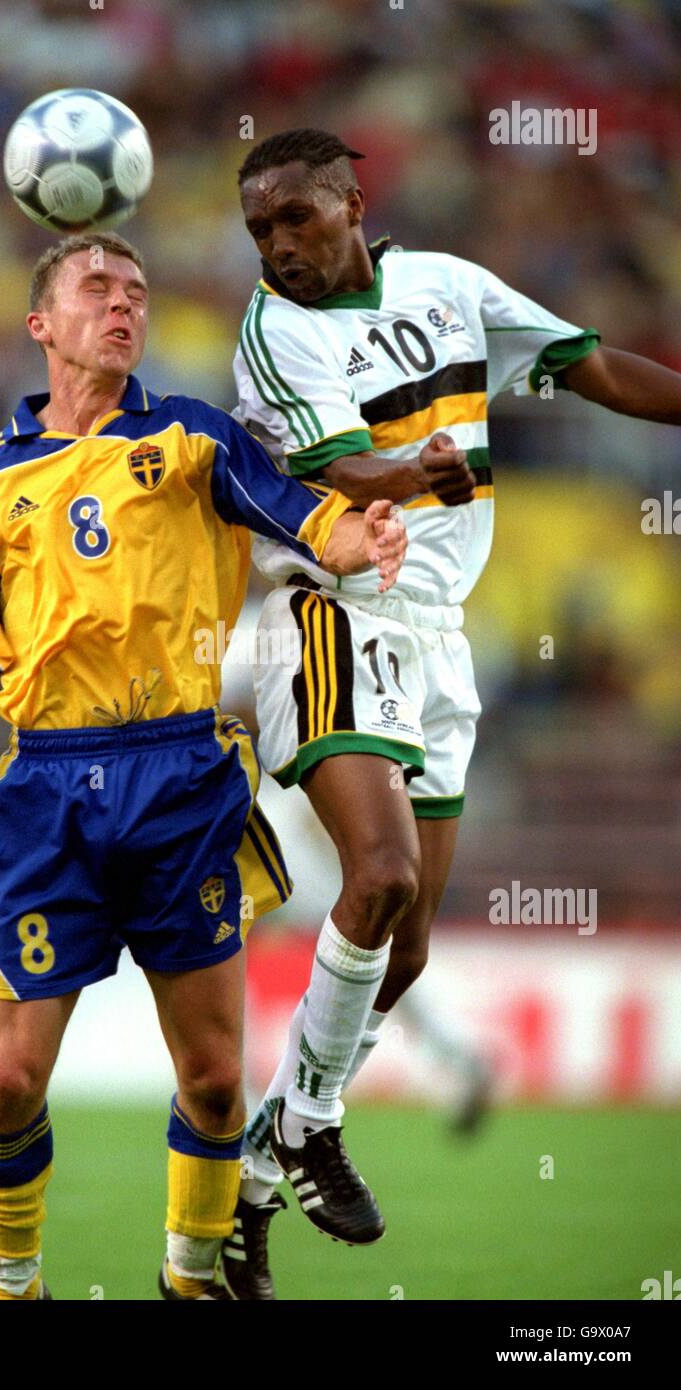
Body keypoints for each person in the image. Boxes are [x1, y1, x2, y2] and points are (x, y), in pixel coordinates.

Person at [0, 229, 409, 1302]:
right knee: (6, 1078)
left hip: (181, 779)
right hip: (46, 788)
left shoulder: (195, 440)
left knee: (217, 1082)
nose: (124, 304)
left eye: (136, 290)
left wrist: (365, 538)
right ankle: (12, 1288)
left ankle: (185, 1281)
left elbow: (305, 519)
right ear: (41, 323)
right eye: (96, 288)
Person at [223, 127, 681, 1299]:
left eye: (296, 220)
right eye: (259, 232)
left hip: (437, 640)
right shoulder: (275, 333)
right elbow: (336, 475)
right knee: (372, 883)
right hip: (328, 613)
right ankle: (311, 1124)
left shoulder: (452, 289)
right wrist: (423, 462)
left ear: (351, 201)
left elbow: (595, 369)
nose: (277, 247)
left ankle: (252, 1181)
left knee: (407, 947)